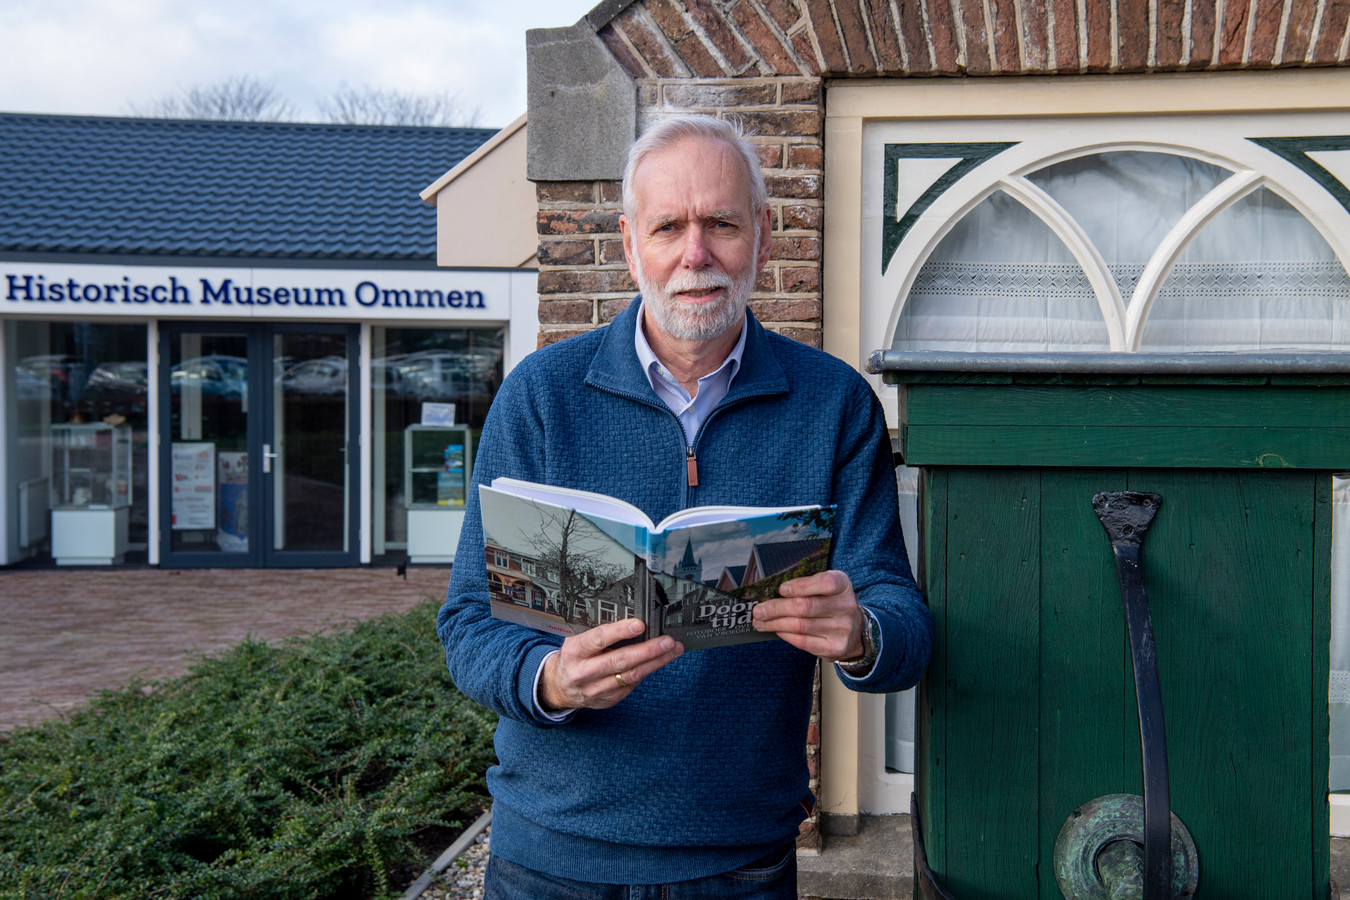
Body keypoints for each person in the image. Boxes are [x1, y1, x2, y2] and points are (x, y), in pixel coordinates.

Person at [437, 114, 933, 899]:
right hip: (550, 859)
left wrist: (861, 634)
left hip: (738, 861)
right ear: (631, 244)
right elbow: (468, 622)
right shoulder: (540, 397)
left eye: (721, 224)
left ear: (761, 238)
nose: (695, 254)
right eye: (668, 226)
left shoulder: (834, 404)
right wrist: (550, 679)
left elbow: (903, 623)